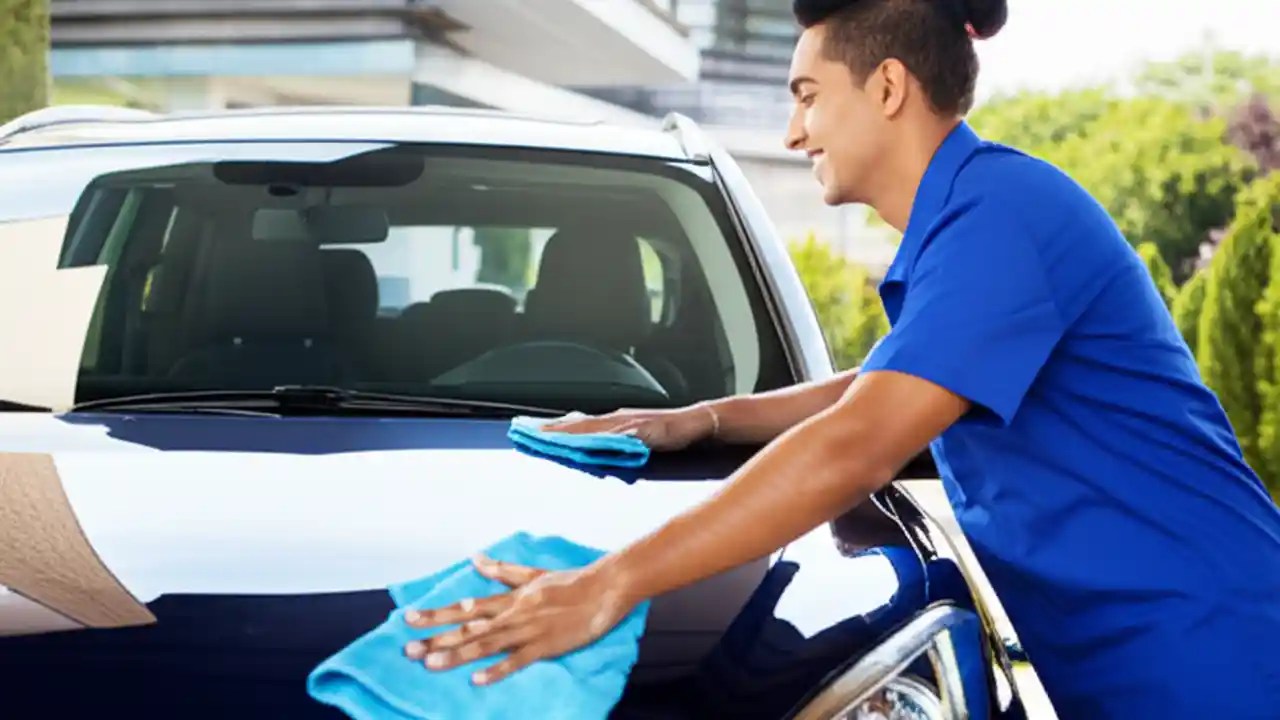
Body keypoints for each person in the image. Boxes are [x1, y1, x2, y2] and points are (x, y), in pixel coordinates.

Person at [401, 0, 1280, 716]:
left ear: (888, 86)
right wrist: (701, 419)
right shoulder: (969, 226)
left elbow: (861, 440)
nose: (794, 131)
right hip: (1146, 655)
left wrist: (610, 583)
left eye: (808, 95)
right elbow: (879, 387)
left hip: (1211, 653)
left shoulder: (1004, 218)